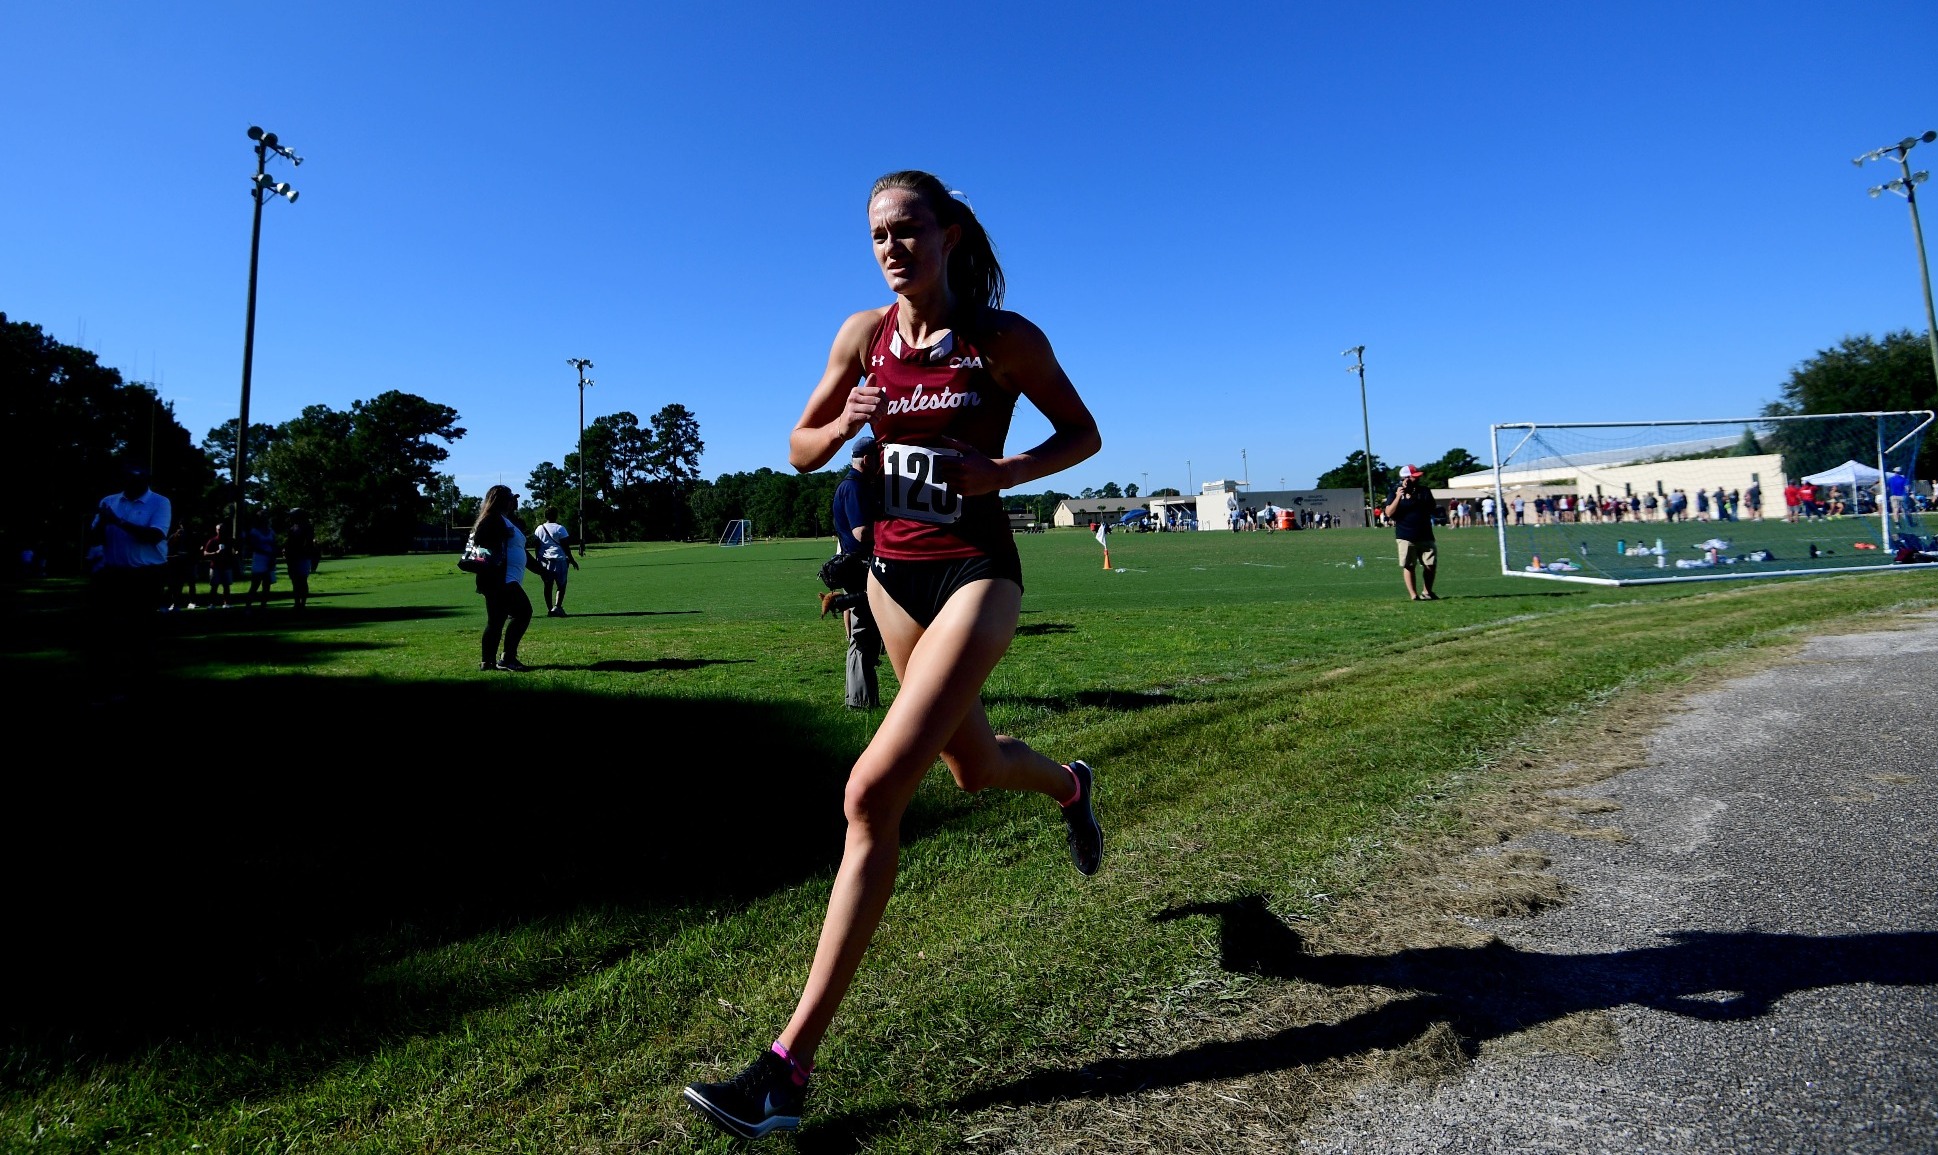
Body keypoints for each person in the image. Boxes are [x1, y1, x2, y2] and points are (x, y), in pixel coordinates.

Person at [682, 169, 1103, 1140]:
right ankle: (1072, 789)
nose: (891, 247)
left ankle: (786, 1071)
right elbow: (797, 446)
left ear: (951, 234)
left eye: (908, 229)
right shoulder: (861, 335)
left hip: (975, 574)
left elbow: (1081, 432)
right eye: (878, 233)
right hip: (890, 576)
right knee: (975, 767)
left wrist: (1004, 469)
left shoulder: (1004, 340)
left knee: (872, 794)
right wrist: (846, 423)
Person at [87, 464, 171, 688]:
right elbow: (94, 537)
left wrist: (118, 522)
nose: (133, 484)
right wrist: (102, 523)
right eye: (129, 479)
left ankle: (143, 680)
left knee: (140, 631)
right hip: (114, 573)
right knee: (106, 632)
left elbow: (154, 536)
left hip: (146, 575)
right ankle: (108, 680)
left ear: (146, 480)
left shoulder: (160, 502)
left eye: (138, 479)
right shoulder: (109, 501)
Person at [821, 438, 883, 709]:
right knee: (863, 635)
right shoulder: (854, 487)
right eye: (879, 457)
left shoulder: (856, 485)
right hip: (859, 566)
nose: (882, 462)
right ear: (867, 459)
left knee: (867, 635)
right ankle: (860, 701)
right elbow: (861, 532)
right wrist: (893, 529)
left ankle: (861, 698)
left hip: (859, 566)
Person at [468, 485, 533, 671]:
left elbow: (520, 551)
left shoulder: (503, 519)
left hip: (500, 578)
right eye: (511, 497)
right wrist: (502, 534)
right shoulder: (492, 519)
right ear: (502, 500)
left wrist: (542, 571)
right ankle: (508, 658)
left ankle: (487, 662)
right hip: (500, 578)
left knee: (496, 621)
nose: (514, 500)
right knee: (523, 612)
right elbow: (481, 541)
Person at [1384, 464, 1438, 601]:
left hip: (1425, 534)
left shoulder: (1424, 491)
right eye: (1414, 477)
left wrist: (1413, 495)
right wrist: (1399, 496)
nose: (1417, 479)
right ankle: (1413, 594)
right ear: (1405, 478)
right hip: (1405, 535)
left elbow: (1431, 508)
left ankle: (1427, 591)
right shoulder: (1394, 492)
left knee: (1430, 564)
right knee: (1409, 566)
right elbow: (1389, 512)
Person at [531, 507, 580, 616]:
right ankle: (557, 607)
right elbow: (566, 546)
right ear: (556, 515)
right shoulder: (560, 529)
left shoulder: (539, 529)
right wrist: (572, 560)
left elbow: (536, 545)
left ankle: (549, 608)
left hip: (545, 561)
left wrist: (537, 559)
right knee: (561, 585)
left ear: (545, 516)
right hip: (559, 560)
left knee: (548, 586)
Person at [284, 509, 317, 612]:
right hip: (293, 557)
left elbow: (308, 543)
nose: (290, 517)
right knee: (295, 580)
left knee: (302, 580)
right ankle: (297, 603)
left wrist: (303, 553)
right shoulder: (292, 528)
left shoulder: (306, 527)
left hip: (302, 557)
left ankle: (302, 603)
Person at [242, 514, 276, 610]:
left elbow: (274, 544)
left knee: (267, 584)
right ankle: (248, 606)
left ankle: (263, 606)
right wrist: (266, 553)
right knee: (255, 584)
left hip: (269, 559)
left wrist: (272, 557)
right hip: (259, 559)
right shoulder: (255, 531)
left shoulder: (271, 531)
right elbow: (254, 546)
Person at [201, 522, 235, 608]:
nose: (221, 531)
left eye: (222, 529)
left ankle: (226, 603)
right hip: (215, 566)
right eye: (219, 529)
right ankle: (212, 604)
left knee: (226, 586)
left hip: (226, 566)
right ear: (216, 530)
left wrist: (233, 553)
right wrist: (215, 553)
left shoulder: (229, 540)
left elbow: (234, 551)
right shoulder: (212, 541)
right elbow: (205, 553)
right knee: (214, 586)